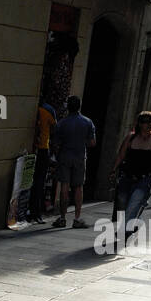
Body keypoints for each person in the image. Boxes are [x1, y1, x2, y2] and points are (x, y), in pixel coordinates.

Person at [110, 110, 151, 241]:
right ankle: (134, 221)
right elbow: (121, 155)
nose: (148, 125)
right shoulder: (130, 138)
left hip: (146, 179)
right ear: (139, 124)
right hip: (127, 177)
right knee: (122, 204)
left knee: (133, 204)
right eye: (145, 122)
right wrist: (113, 170)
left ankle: (124, 231)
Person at [51, 95, 96, 229]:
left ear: (67, 107)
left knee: (64, 185)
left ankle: (63, 217)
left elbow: (55, 143)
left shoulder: (62, 123)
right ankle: (77, 218)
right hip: (80, 156)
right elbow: (92, 142)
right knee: (78, 186)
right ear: (79, 106)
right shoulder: (87, 122)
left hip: (65, 156)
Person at [31, 99, 56, 223]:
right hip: (42, 149)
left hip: (32, 148)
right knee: (39, 181)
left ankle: (29, 211)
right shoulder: (48, 110)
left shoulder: (33, 109)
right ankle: (36, 212)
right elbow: (54, 128)